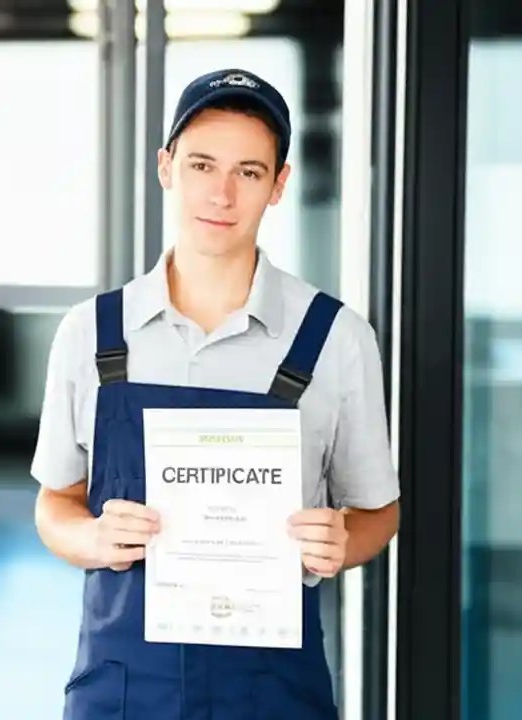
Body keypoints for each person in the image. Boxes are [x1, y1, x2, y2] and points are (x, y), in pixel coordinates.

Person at [31, 68, 400, 718]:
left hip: (273, 694)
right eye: (203, 164)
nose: (222, 194)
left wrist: (344, 541)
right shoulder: (91, 334)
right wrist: (91, 541)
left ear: (279, 185)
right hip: (120, 692)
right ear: (166, 167)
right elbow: (55, 503)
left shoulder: (335, 339)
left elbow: (379, 513)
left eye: (250, 172)